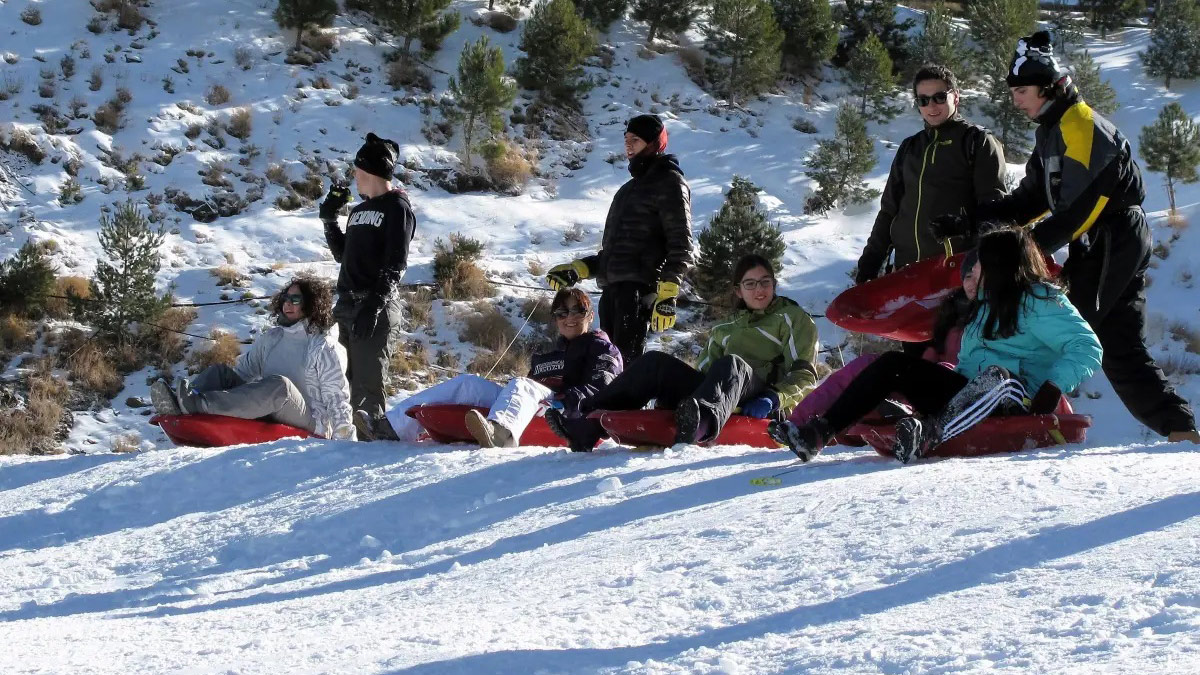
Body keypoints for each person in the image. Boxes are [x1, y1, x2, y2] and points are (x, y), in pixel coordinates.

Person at [933, 31, 1199, 443]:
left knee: (1058, 323)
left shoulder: (1081, 125)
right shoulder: (1052, 132)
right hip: (1100, 239)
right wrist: (970, 223)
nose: (1016, 99)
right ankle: (1181, 429)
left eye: (1022, 90)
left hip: (1111, 236)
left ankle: (1010, 413)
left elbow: (1084, 206)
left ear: (1048, 87)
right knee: (1117, 341)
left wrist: (1025, 249)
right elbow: (1031, 200)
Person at [771, 227, 1103, 464]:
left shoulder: (1041, 301)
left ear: (1001, 264)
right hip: (973, 392)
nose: (972, 273)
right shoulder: (983, 307)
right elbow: (965, 369)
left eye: (980, 265)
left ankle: (930, 433)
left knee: (997, 377)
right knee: (893, 366)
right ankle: (819, 433)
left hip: (1019, 395)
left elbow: (1087, 346)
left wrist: (1054, 385)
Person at [546, 254, 819, 452]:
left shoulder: (792, 318)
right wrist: (674, 395)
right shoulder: (726, 327)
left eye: (765, 282)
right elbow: (704, 372)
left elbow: (805, 374)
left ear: (774, 284)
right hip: (722, 392)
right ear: (738, 290)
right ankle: (586, 424)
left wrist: (774, 398)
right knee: (654, 361)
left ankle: (700, 423)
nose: (759, 290)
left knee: (732, 364)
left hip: (762, 399)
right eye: (750, 284)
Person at [373, 289, 623, 446]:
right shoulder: (550, 355)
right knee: (467, 383)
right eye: (561, 312)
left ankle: (500, 434)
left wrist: (566, 399)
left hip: (568, 412)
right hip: (537, 408)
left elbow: (603, 389)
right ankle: (391, 427)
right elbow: (528, 390)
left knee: (521, 385)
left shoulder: (602, 348)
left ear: (590, 315)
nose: (569, 317)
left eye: (578, 311)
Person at [545, 114, 694, 364]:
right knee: (609, 366)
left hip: (638, 292)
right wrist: (577, 269)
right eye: (626, 139)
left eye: (635, 140)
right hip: (611, 292)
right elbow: (615, 253)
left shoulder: (670, 181)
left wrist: (668, 292)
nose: (628, 145)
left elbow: (682, 244)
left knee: (628, 367)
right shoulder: (627, 190)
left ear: (654, 143)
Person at [856, 65, 1007, 289]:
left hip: (956, 273)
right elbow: (889, 211)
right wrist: (869, 263)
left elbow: (994, 210)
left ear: (955, 97)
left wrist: (984, 268)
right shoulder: (910, 147)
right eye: (923, 100)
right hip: (905, 271)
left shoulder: (977, 142)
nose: (931, 106)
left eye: (939, 97)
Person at [149, 276, 355, 440]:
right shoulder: (273, 338)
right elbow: (242, 373)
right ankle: (180, 401)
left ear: (311, 304)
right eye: (285, 298)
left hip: (312, 422)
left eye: (295, 299)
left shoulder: (323, 346)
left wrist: (345, 441)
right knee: (221, 373)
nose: (287, 304)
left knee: (279, 386)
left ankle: (197, 403)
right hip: (274, 409)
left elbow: (337, 398)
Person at [789, 251, 978, 427]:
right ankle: (799, 420)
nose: (973, 283)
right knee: (869, 363)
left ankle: (897, 410)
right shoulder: (954, 310)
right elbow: (937, 351)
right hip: (938, 383)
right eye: (968, 276)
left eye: (980, 276)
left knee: (897, 368)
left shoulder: (998, 314)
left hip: (970, 390)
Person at [319, 132, 417, 442]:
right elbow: (342, 255)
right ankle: (344, 448)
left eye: (357, 171)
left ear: (370, 170)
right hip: (346, 304)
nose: (354, 178)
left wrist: (374, 307)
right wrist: (329, 219)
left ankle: (370, 455)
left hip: (374, 305)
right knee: (339, 384)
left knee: (367, 388)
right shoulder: (359, 211)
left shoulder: (398, 206)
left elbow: (395, 264)